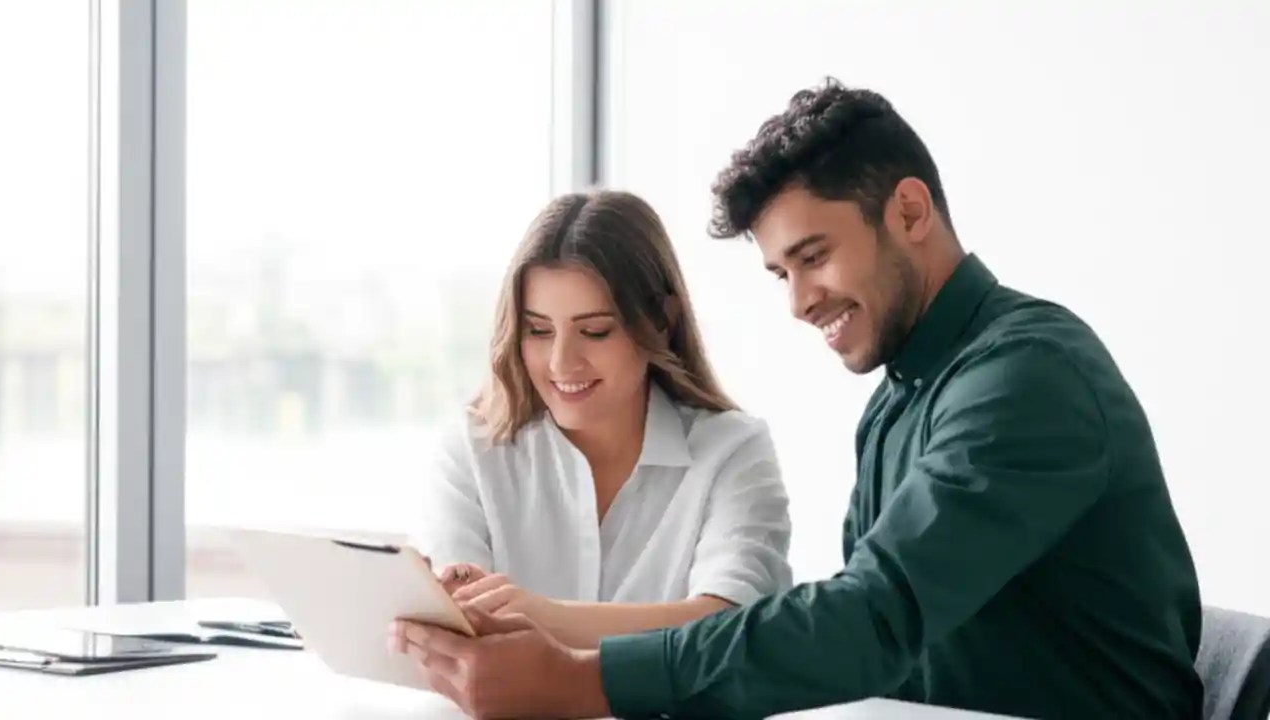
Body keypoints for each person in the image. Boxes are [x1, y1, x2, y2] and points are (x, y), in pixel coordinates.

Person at [390, 79, 1204, 719]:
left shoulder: (1026, 378)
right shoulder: (903, 398)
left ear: (910, 211)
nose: (800, 301)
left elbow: (872, 620)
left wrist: (584, 682)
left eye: (814, 257)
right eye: (782, 272)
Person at [406, 189, 793, 650]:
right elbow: (463, 628)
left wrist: (544, 616)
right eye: (539, 330)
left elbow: (730, 628)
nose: (561, 363)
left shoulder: (732, 450)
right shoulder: (473, 449)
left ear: (661, 320)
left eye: (594, 331)